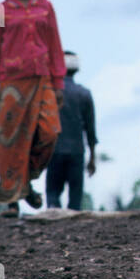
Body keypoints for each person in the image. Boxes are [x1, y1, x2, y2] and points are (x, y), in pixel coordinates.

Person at [0, 0, 64, 217]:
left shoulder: (46, 8)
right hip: (11, 84)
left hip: (42, 79)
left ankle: (25, 180)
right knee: (10, 141)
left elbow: (54, 46)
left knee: (50, 133)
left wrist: (59, 83)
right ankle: (11, 200)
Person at [45, 51, 97, 209]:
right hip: (77, 151)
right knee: (75, 199)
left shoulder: (49, 93)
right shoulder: (84, 94)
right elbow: (90, 129)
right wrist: (92, 157)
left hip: (54, 150)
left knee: (52, 194)